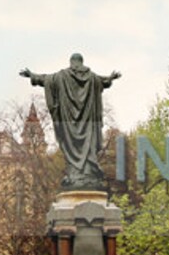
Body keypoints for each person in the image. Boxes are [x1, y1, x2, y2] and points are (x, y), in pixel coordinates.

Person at [20, 53, 121, 190]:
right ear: (81, 62)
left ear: (72, 62)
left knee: (72, 145)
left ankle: (76, 175)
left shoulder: (62, 76)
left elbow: (46, 79)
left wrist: (32, 75)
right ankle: (86, 174)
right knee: (89, 146)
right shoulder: (91, 78)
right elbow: (103, 81)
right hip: (88, 124)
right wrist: (111, 78)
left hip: (69, 124)